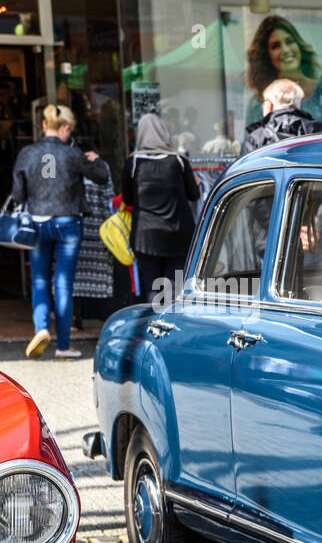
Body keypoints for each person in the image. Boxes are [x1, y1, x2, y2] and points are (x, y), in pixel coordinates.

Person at [12, 104, 109, 359]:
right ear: (65, 127)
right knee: (63, 283)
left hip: (37, 223)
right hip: (68, 223)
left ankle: (42, 328)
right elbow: (101, 177)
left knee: (40, 281)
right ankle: (64, 346)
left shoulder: (27, 153)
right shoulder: (73, 154)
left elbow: (18, 194)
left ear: (44, 125)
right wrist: (96, 160)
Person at [123, 113, 200, 305]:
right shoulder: (179, 161)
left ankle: (153, 329)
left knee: (152, 288)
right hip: (178, 235)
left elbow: (128, 199)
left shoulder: (133, 163)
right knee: (175, 289)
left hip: (145, 237)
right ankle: (172, 329)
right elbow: (194, 195)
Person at [244, 15, 322, 129]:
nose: (286, 50)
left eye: (289, 42)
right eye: (275, 46)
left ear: (299, 44)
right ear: (266, 55)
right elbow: (253, 143)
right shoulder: (257, 104)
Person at [241, 79, 322, 155]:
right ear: (298, 103)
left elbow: (246, 170)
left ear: (269, 104)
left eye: (264, 101)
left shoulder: (255, 139)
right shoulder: (318, 134)